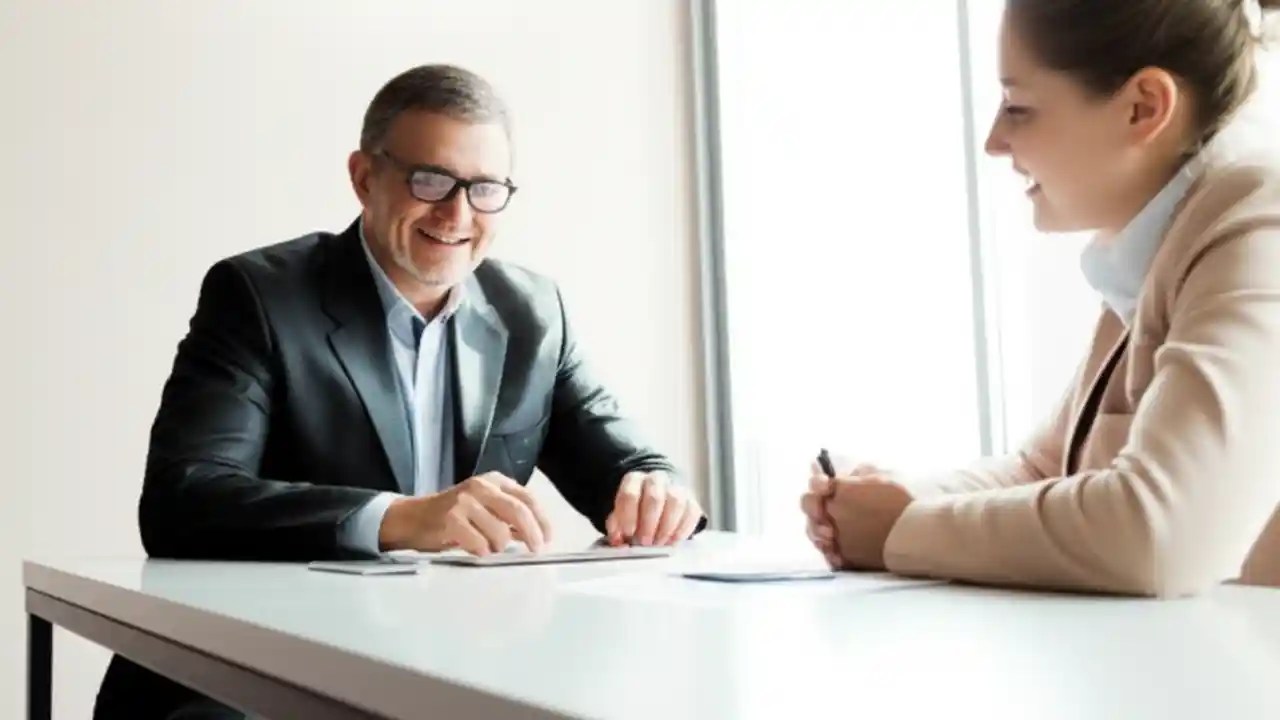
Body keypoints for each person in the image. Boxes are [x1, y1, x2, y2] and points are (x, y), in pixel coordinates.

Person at [96, 64, 704, 719]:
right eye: (431, 181)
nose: (457, 214)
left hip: (447, 672)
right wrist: (400, 518)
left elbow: (621, 460)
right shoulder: (259, 297)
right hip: (248, 679)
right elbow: (183, 500)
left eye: (486, 188)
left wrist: (653, 485)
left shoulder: (533, 313)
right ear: (363, 177)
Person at [803, 0, 1280, 598]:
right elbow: (1044, 470)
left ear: (1144, 107)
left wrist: (901, 530)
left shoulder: (1259, 220)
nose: (994, 142)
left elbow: (1162, 535)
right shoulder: (1155, 245)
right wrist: (896, 499)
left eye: (1019, 108)